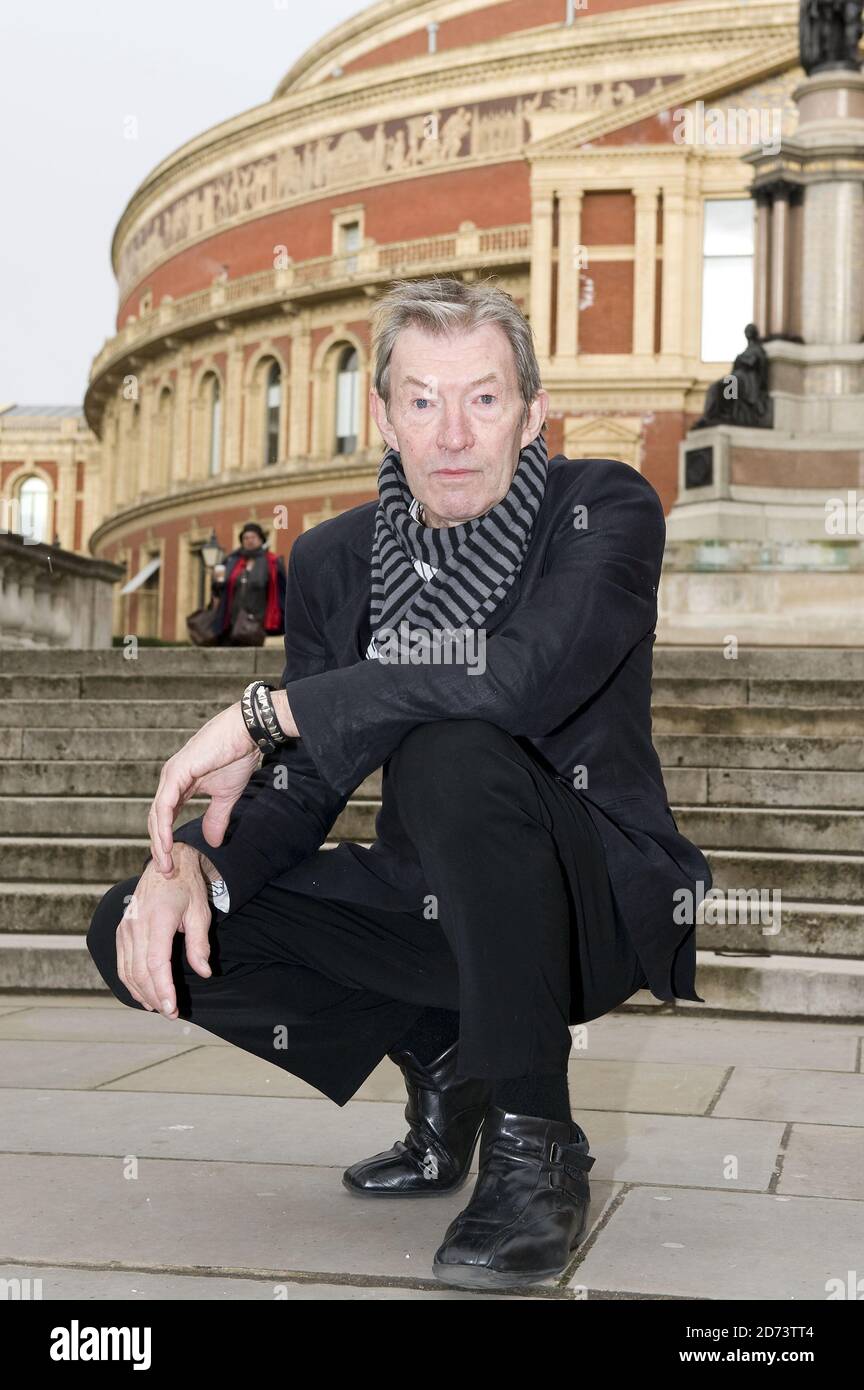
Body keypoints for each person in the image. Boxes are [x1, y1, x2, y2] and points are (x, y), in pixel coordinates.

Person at [87, 275, 712, 1291]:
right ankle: (446, 1053)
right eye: (422, 399)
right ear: (382, 415)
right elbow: (306, 787)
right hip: (429, 897)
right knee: (136, 922)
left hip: (587, 899)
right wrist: (192, 867)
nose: (452, 432)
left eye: (484, 397)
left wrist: (270, 711)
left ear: (532, 412)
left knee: (451, 744)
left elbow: (509, 681)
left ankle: (535, 1144)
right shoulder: (337, 560)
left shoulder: (601, 509)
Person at [210, 522, 287, 645]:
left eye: (253, 537)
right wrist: (217, 582)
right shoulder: (232, 561)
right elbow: (218, 590)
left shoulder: (272, 562)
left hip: (257, 624)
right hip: (230, 622)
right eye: (246, 538)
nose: (249, 541)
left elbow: (283, 592)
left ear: (261, 540)